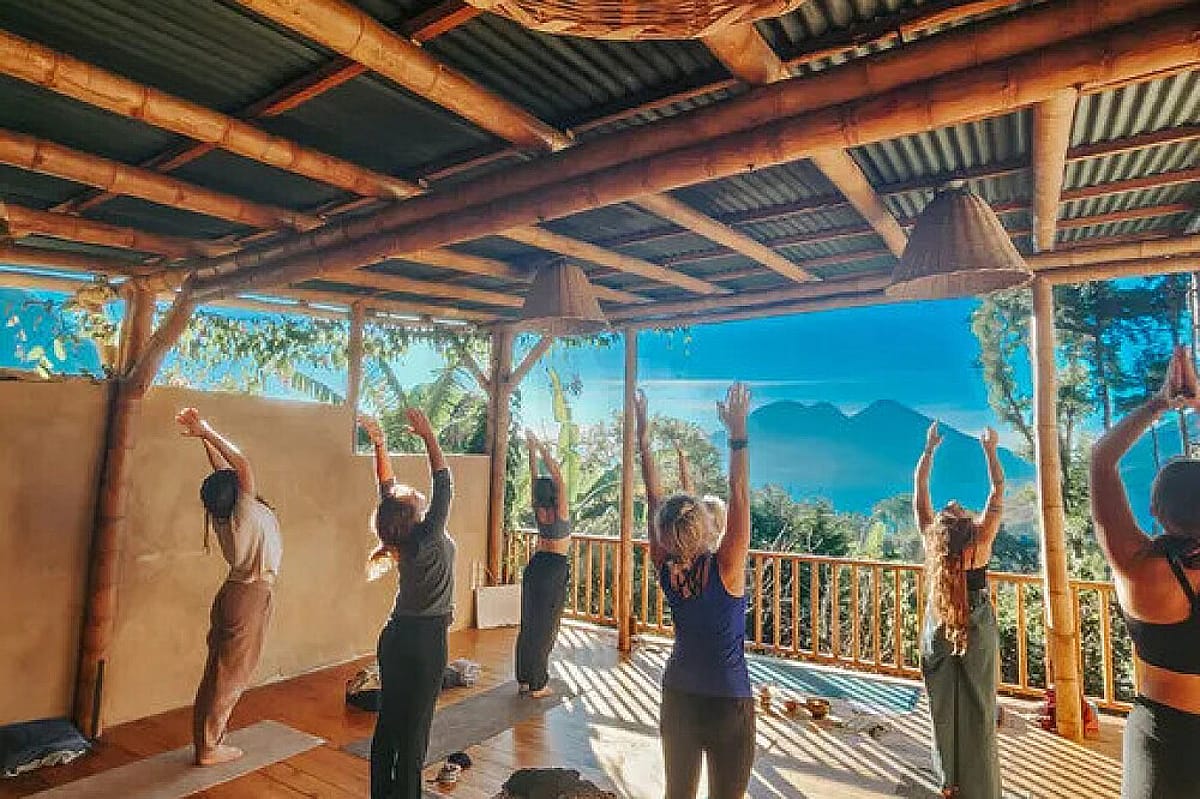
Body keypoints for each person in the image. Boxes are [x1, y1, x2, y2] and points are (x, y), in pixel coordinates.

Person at [1089, 346, 1200, 799]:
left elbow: (1101, 460)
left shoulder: (1142, 571)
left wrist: (1160, 402)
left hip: (1165, 733)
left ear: (1154, 511)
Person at [637, 384, 755, 799]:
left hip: (679, 695)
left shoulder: (666, 568)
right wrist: (737, 434)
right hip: (727, 701)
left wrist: (643, 439)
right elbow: (739, 497)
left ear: (664, 535)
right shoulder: (725, 568)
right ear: (704, 526)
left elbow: (654, 499)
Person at [176, 407, 282, 767]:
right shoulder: (244, 509)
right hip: (250, 596)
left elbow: (224, 471)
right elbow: (240, 465)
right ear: (236, 492)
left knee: (218, 671)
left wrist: (203, 438)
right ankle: (208, 747)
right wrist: (206, 429)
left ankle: (208, 740)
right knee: (230, 676)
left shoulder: (226, 513)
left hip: (234, 594)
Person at [359, 411, 455, 799]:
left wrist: (380, 444)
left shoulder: (402, 534)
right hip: (425, 641)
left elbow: (386, 489)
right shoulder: (427, 535)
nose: (416, 493)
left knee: (390, 726)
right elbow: (444, 481)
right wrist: (429, 435)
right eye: (414, 499)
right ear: (416, 517)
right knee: (415, 735)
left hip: (396, 637)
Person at [914, 420, 1004, 799]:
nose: (952, 503)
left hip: (940, 624)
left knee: (941, 708)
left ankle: (949, 782)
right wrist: (990, 451)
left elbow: (919, 492)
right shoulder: (980, 544)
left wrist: (929, 450)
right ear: (967, 526)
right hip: (976, 625)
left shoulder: (934, 545)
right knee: (980, 710)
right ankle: (981, 789)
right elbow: (998, 490)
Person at [515, 429, 572, 698]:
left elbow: (535, 478)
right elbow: (558, 478)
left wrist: (531, 451)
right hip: (553, 568)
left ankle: (525, 678)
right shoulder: (558, 511)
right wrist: (540, 448)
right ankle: (538, 684)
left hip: (536, 566)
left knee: (529, 622)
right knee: (546, 626)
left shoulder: (539, 510)